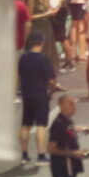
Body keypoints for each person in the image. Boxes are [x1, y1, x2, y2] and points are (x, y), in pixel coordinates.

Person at [18, 31, 61, 164]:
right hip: (41, 95)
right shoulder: (43, 60)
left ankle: (24, 154)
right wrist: (53, 89)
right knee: (41, 125)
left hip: (27, 94)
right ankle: (41, 155)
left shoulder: (23, 58)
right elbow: (52, 80)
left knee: (26, 124)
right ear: (41, 43)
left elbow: (19, 75)